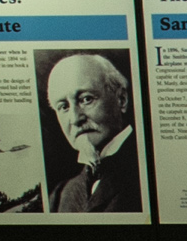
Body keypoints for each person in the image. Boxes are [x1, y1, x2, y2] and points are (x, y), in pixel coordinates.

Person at [44, 53, 142, 213]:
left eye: (86, 99)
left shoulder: (149, 168)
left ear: (121, 99)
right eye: (64, 107)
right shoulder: (60, 195)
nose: (75, 119)